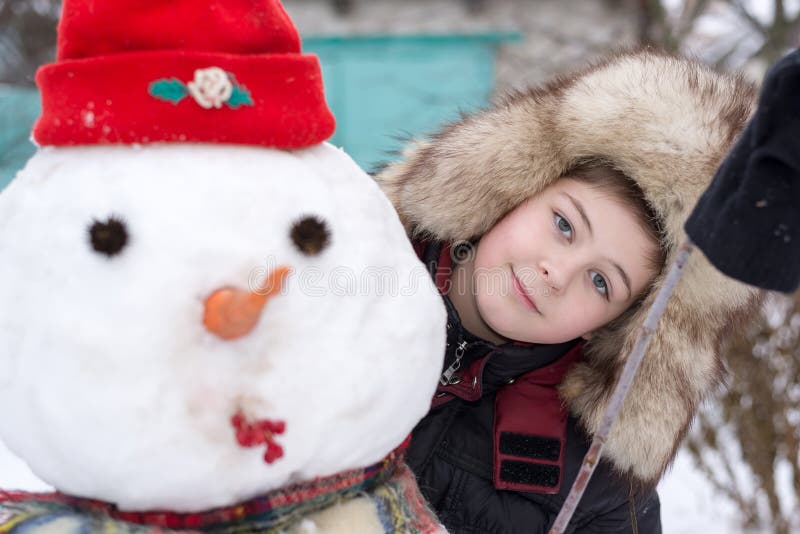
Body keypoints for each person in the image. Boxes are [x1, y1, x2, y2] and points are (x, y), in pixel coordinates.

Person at [376, 50, 767, 533]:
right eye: (563, 224)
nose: (557, 274)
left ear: (615, 325)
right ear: (516, 186)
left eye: (601, 281)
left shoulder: (593, 492)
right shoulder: (334, 274)